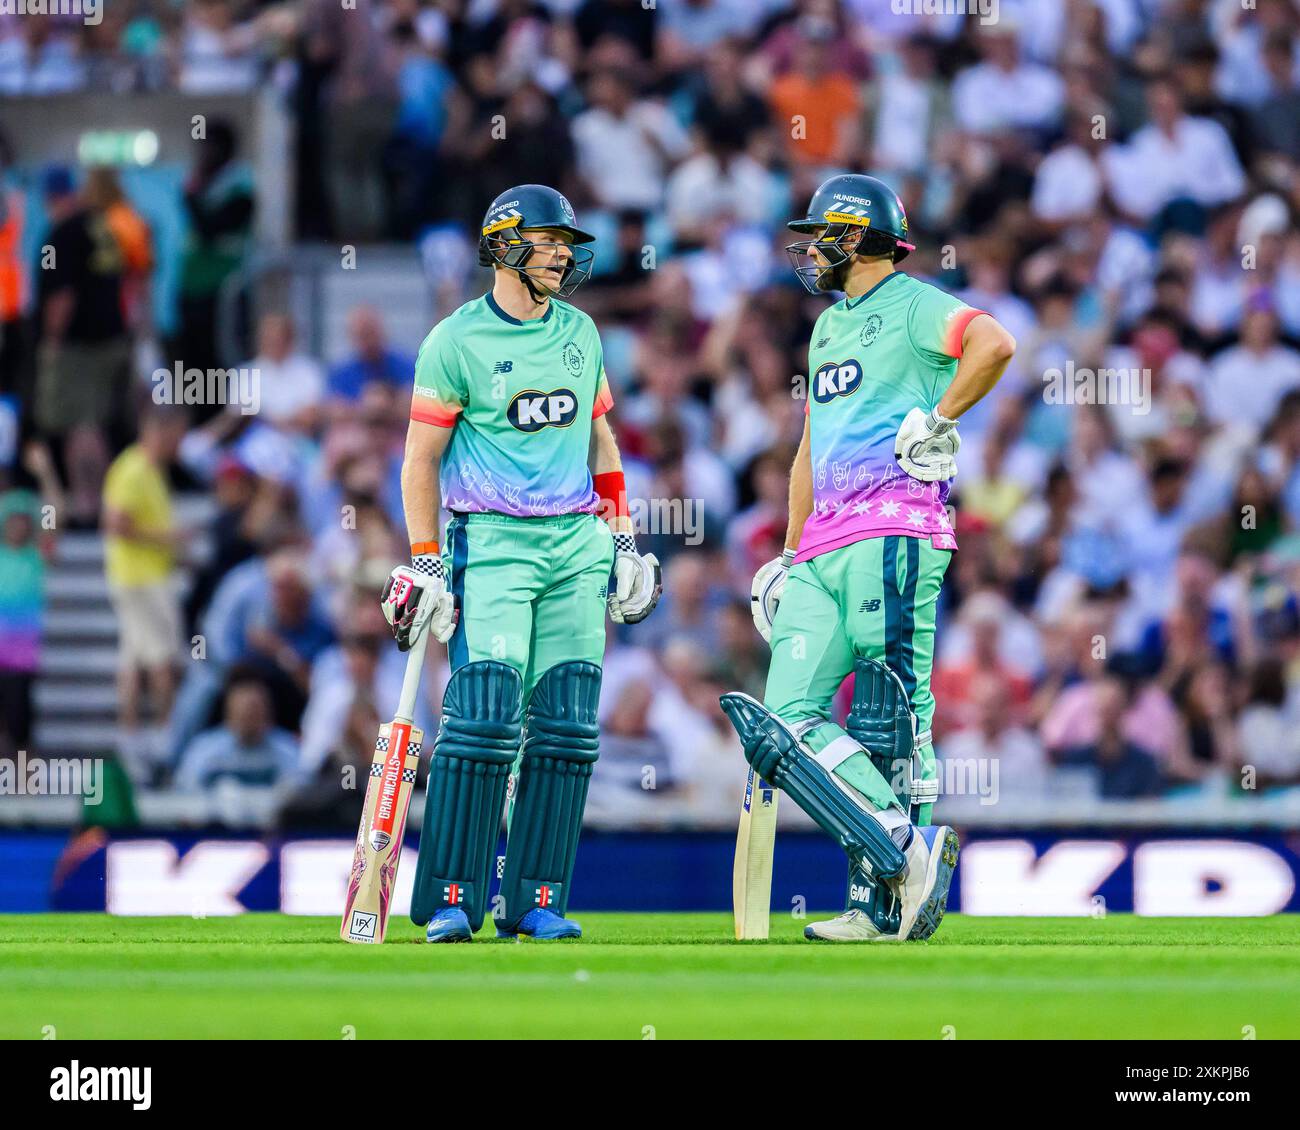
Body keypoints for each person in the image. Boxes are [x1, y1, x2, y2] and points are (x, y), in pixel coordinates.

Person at [721, 174, 1016, 943]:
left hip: (896, 528)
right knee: (785, 720)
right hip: (822, 544)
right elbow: (811, 446)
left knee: (892, 709)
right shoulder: (827, 328)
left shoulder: (917, 304)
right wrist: (787, 553)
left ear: (854, 238)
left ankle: (881, 903)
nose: (811, 251)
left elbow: (996, 343)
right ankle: (900, 849)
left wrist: (941, 417)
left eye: (822, 236)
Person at [385, 184, 661, 942]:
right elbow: (419, 461)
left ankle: (536, 900)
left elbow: (601, 439)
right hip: (494, 544)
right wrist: (428, 560)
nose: (566, 253)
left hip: (577, 545)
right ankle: (451, 897)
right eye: (551, 240)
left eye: (570, 242)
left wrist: (625, 535)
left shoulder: (581, 333)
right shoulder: (454, 340)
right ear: (506, 243)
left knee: (568, 729)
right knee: (481, 722)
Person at [102, 405, 189, 778]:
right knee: (160, 661)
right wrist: (168, 538)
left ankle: (132, 737)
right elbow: (116, 524)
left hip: (144, 574)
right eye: (176, 434)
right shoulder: (134, 468)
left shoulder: (149, 470)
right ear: (161, 430)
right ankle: (160, 738)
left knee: (133, 659)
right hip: (141, 578)